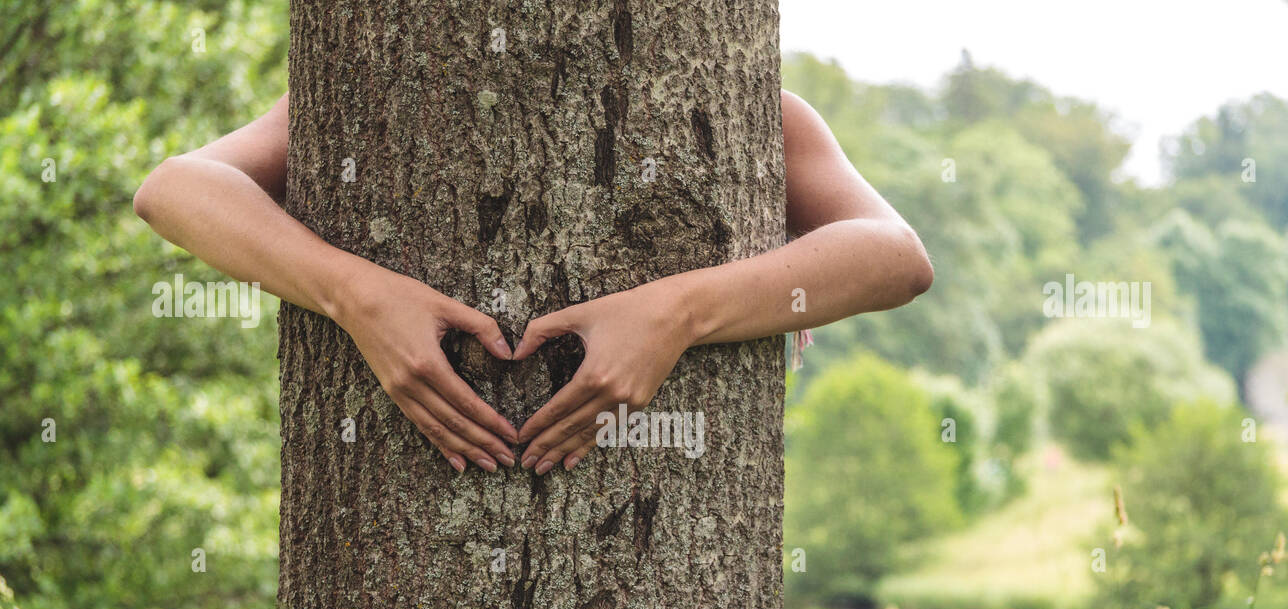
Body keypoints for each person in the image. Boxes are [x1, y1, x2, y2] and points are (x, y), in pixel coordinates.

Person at [134, 90, 933, 474]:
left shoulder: (747, 110)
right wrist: (355, 294)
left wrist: (676, 314)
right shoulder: (389, 93)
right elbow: (174, 189)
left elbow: (896, 258)